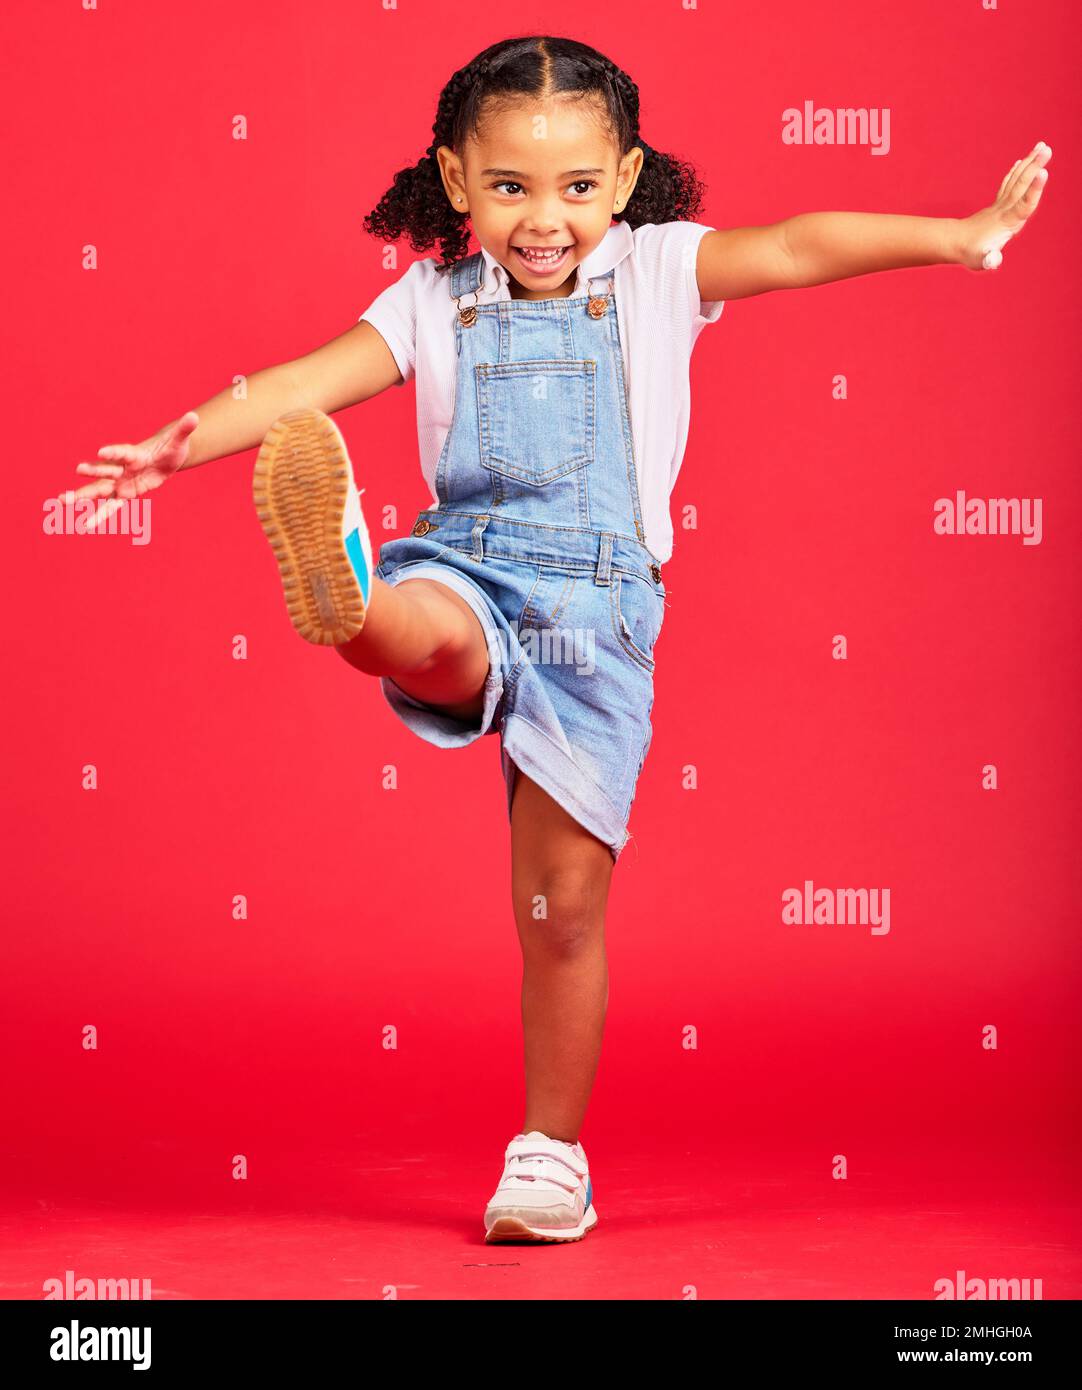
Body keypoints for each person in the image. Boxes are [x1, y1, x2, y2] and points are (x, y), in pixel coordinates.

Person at [56, 35, 1050, 1244]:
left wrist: (953, 236)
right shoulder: (429, 301)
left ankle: (547, 1158)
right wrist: (184, 440)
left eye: (577, 188)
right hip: (467, 567)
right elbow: (300, 383)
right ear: (455, 179)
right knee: (434, 636)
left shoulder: (661, 271)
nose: (544, 219)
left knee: (562, 910)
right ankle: (353, 595)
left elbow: (797, 245)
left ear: (625, 179)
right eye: (512, 187)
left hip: (599, 611)